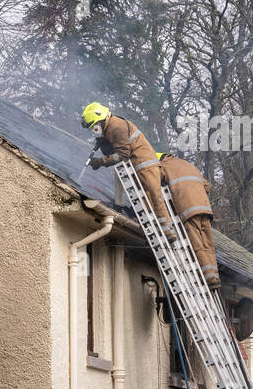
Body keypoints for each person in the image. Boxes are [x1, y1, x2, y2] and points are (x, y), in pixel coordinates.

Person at [82, 102, 221, 288]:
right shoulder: (188, 168)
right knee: (206, 240)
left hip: (151, 171)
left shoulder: (116, 126)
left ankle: (168, 231)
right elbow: (206, 186)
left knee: (156, 199)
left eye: (95, 126)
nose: (95, 130)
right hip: (203, 207)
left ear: (101, 117)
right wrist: (105, 142)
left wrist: (100, 161)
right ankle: (212, 276)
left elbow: (123, 154)